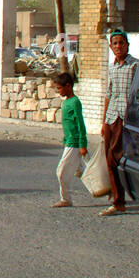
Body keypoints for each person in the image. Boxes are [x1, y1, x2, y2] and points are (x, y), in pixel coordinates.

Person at [99, 29, 138, 216]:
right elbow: (109, 94)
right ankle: (116, 194)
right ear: (110, 46)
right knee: (109, 157)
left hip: (126, 118)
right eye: (115, 43)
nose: (118, 46)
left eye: (121, 43)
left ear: (127, 45)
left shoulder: (135, 66)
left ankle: (119, 200)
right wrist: (104, 122)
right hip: (112, 118)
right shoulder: (112, 68)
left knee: (115, 157)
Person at [51, 71, 89, 208]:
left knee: (61, 172)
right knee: (84, 172)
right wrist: (65, 140)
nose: (58, 91)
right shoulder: (67, 102)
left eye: (59, 88)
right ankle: (103, 188)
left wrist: (82, 144)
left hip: (75, 143)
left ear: (68, 86)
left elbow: (80, 124)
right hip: (70, 142)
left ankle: (66, 199)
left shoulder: (75, 102)